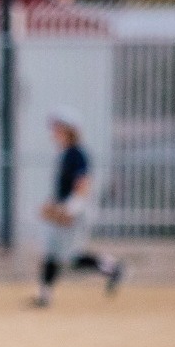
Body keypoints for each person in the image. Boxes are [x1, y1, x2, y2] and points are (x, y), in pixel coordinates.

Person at [33, 106, 125, 308]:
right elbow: (65, 188)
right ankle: (44, 295)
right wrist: (53, 204)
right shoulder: (66, 154)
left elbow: (83, 185)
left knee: (69, 257)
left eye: (58, 126)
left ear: (69, 129)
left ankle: (113, 267)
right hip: (66, 207)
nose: (53, 131)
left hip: (76, 210)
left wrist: (69, 209)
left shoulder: (76, 154)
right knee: (52, 250)